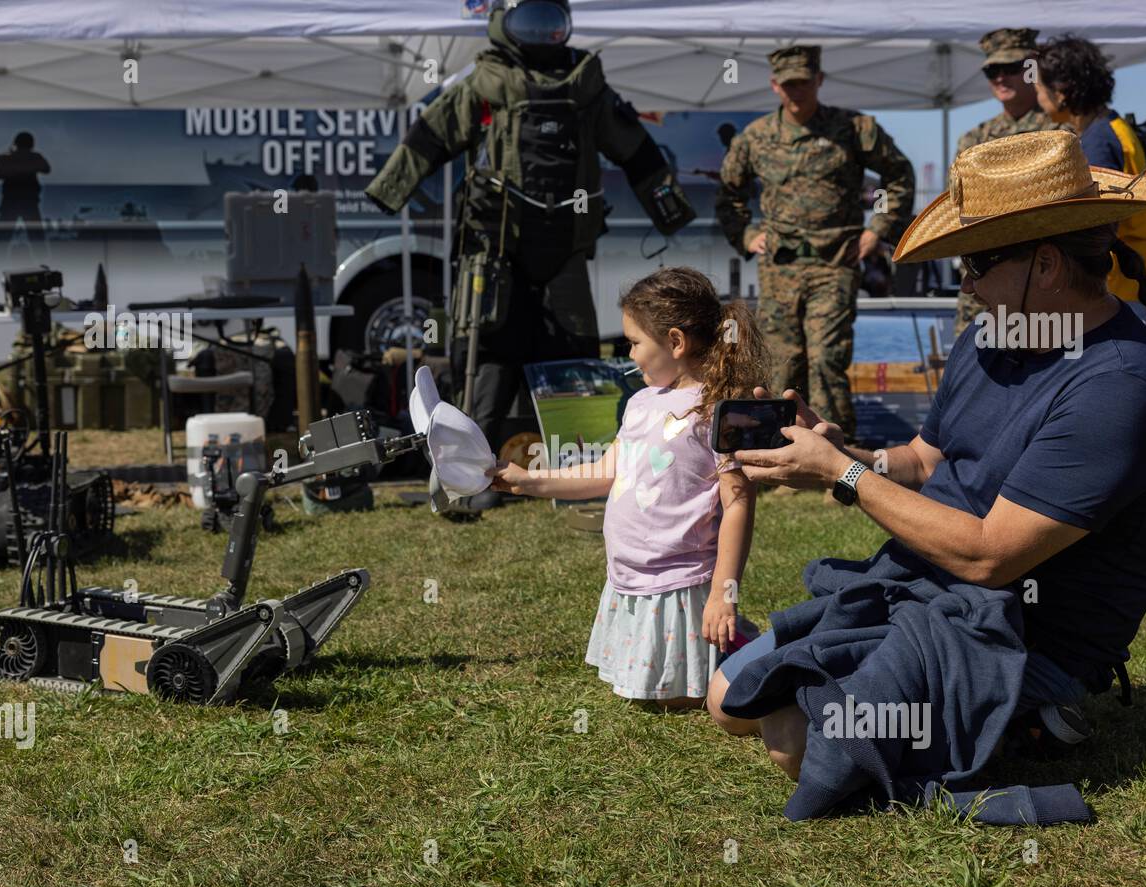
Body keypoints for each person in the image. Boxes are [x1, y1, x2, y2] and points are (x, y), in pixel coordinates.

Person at [705, 132, 1146, 816]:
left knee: (793, 741)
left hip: (1014, 632)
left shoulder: (1123, 385)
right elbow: (923, 460)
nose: (964, 281)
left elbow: (989, 557)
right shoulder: (991, 335)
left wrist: (846, 478)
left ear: (1049, 264)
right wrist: (840, 454)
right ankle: (988, 722)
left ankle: (1034, 709)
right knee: (730, 698)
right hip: (922, 586)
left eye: (976, 261)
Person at [366, 0, 694, 509]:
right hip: (496, 251)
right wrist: (389, 190)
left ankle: (577, 480)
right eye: (529, 20)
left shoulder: (583, 84)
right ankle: (469, 482)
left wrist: (670, 207)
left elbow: (636, 149)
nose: (540, 31)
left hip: (559, 252)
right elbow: (429, 136)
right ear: (504, 22)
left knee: (569, 363)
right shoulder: (490, 81)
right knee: (492, 360)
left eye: (550, 19)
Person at [489, 266, 764, 707]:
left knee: (684, 700)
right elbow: (605, 470)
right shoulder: (639, 402)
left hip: (680, 580)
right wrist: (530, 481)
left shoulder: (717, 410)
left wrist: (722, 593)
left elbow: (738, 503)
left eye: (635, 343)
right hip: (631, 573)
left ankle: (752, 656)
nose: (630, 355)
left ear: (675, 341)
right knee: (648, 699)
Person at [715, 45, 915, 441]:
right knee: (782, 364)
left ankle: (837, 457)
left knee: (826, 360)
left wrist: (878, 228)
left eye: (804, 82)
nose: (796, 91)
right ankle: (778, 452)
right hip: (780, 268)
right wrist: (746, 234)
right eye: (788, 84)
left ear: (819, 80)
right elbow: (728, 193)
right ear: (774, 85)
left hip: (834, 263)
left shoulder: (854, 129)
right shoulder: (756, 137)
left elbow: (900, 175)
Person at [1034, 34, 1146, 319]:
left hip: (1119, 285)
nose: (1037, 98)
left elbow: (1095, 222)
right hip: (1137, 277)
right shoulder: (1115, 127)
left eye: (1038, 88)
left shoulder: (1098, 141)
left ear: (1060, 91)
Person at [953, 27, 1057, 338]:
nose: (1000, 78)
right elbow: (958, 208)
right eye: (992, 70)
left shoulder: (1059, 132)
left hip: (1042, 280)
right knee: (974, 370)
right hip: (983, 277)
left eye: (1011, 68)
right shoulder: (973, 139)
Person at [0, 131, 50, 245]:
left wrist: (3, 164)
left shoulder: (26, 157)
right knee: (35, 236)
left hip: (13, 201)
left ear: (16, 143)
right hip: (28, 200)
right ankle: (43, 260)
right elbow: (46, 169)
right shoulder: (33, 157)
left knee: (4, 236)